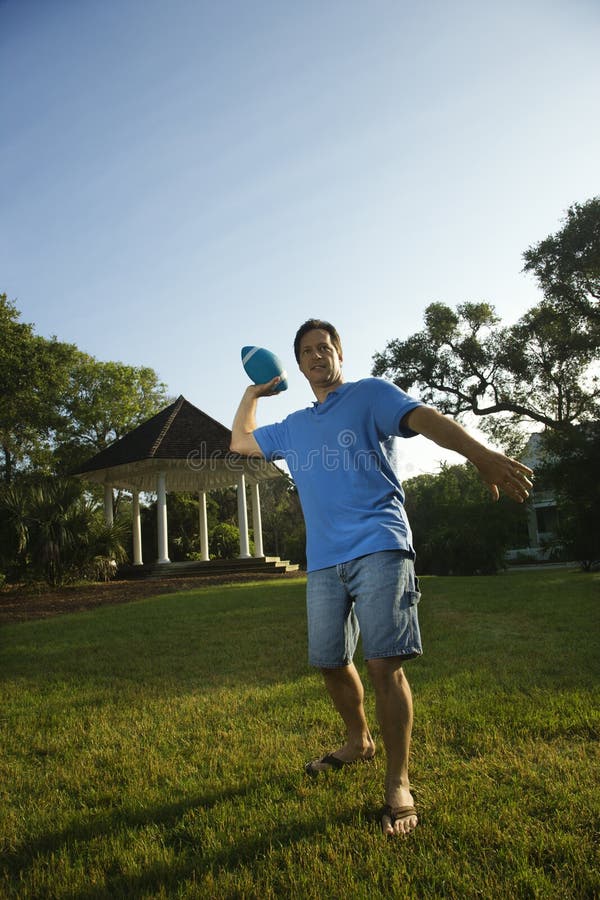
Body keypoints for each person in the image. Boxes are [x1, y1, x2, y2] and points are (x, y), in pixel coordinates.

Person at [230, 319, 533, 837]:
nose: (317, 356)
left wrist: (479, 453)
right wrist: (252, 391)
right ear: (298, 365)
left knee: (382, 664)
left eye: (325, 348)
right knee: (329, 661)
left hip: (380, 544)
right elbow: (240, 442)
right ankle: (358, 741)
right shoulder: (295, 426)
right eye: (307, 352)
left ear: (339, 355)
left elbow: (425, 417)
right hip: (324, 560)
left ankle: (398, 782)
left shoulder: (370, 395)